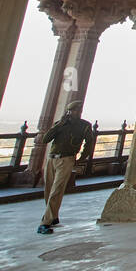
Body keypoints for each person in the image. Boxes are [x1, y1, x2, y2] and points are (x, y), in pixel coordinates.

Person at [36, 99, 94, 235]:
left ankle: (45, 222)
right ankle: (53, 216)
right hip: (52, 158)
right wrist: (59, 125)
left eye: (78, 110)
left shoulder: (84, 126)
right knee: (49, 189)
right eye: (74, 110)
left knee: (57, 190)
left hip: (67, 159)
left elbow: (89, 143)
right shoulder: (60, 124)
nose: (77, 113)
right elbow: (45, 139)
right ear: (69, 111)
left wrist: (82, 158)